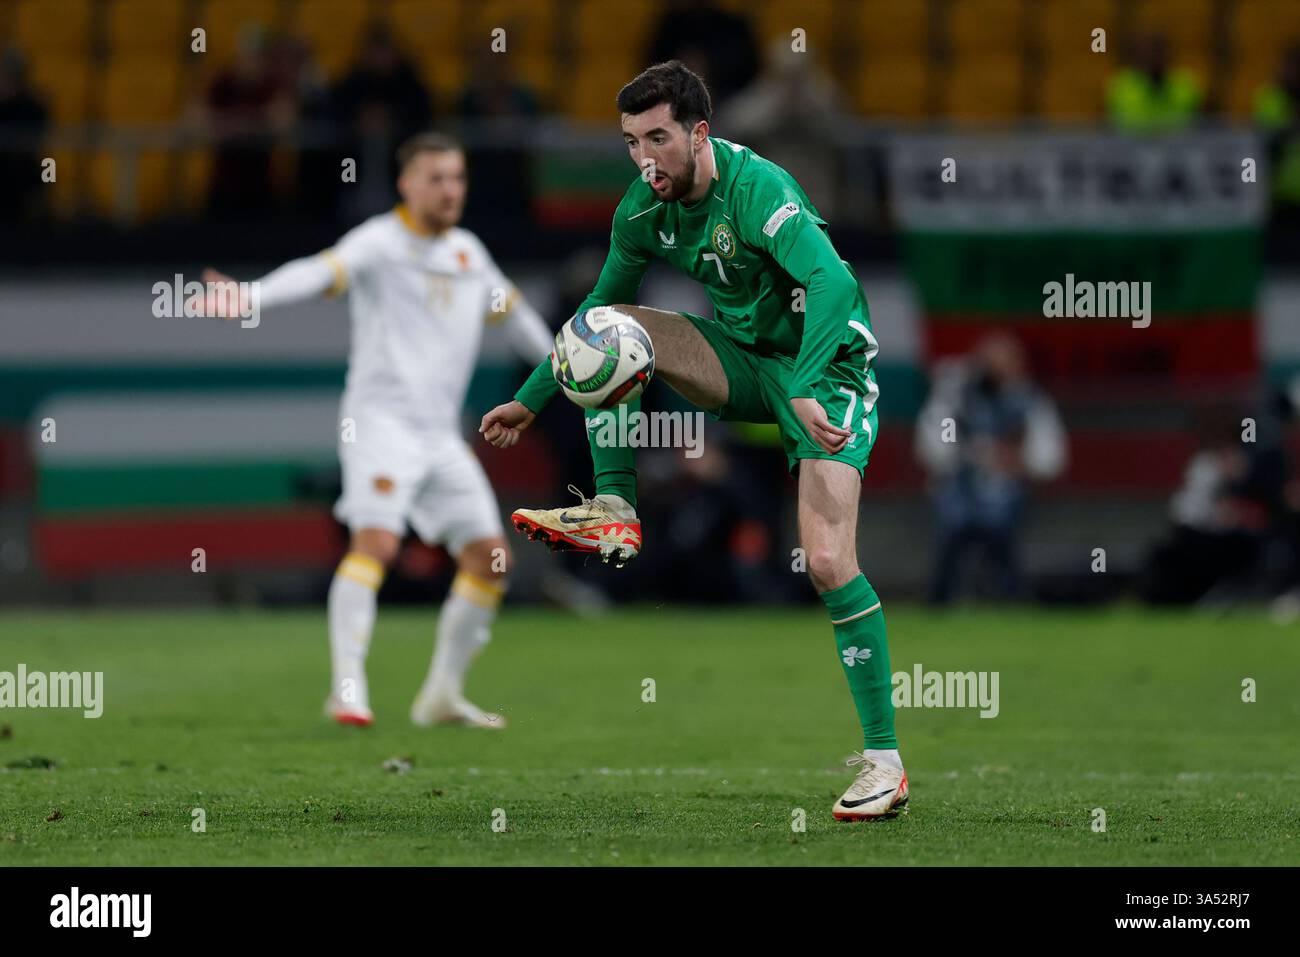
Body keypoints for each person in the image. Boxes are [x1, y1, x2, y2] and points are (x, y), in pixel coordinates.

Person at [478, 62, 905, 821]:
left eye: (658, 139)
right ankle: (616, 503)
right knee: (609, 329)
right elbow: (596, 307)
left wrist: (804, 385)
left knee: (831, 559)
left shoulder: (759, 190)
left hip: (829, 365)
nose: (644, 159)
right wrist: (529, 399)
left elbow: (834, 287)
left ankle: (884, 761)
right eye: (630, 141)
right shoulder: (643, 208)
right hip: (745, 362)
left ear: (700, 133)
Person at [199, 133, 553, 728]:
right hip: (380, 424)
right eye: (436, 178)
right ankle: (346, 687)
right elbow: (317, 272)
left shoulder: (469, 254)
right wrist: (251, 296)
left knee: (491, 560)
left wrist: (567, 373)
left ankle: (441, 695)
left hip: (442, 436)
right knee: (378, 545)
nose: (450, 190)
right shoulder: (379, 245)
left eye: (458, 178)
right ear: (407, 185)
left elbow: (518, 320)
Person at [914, 334, 1067, 604]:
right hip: (959, 486)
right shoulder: (954, 399)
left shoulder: (1031, 403)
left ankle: (1009, 597)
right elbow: (934, 447)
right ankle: (941, 598)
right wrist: (969, 453)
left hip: (1007, 489)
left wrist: (1012, 460)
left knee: (997, 525)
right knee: (954, 523)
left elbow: (1049, 459)